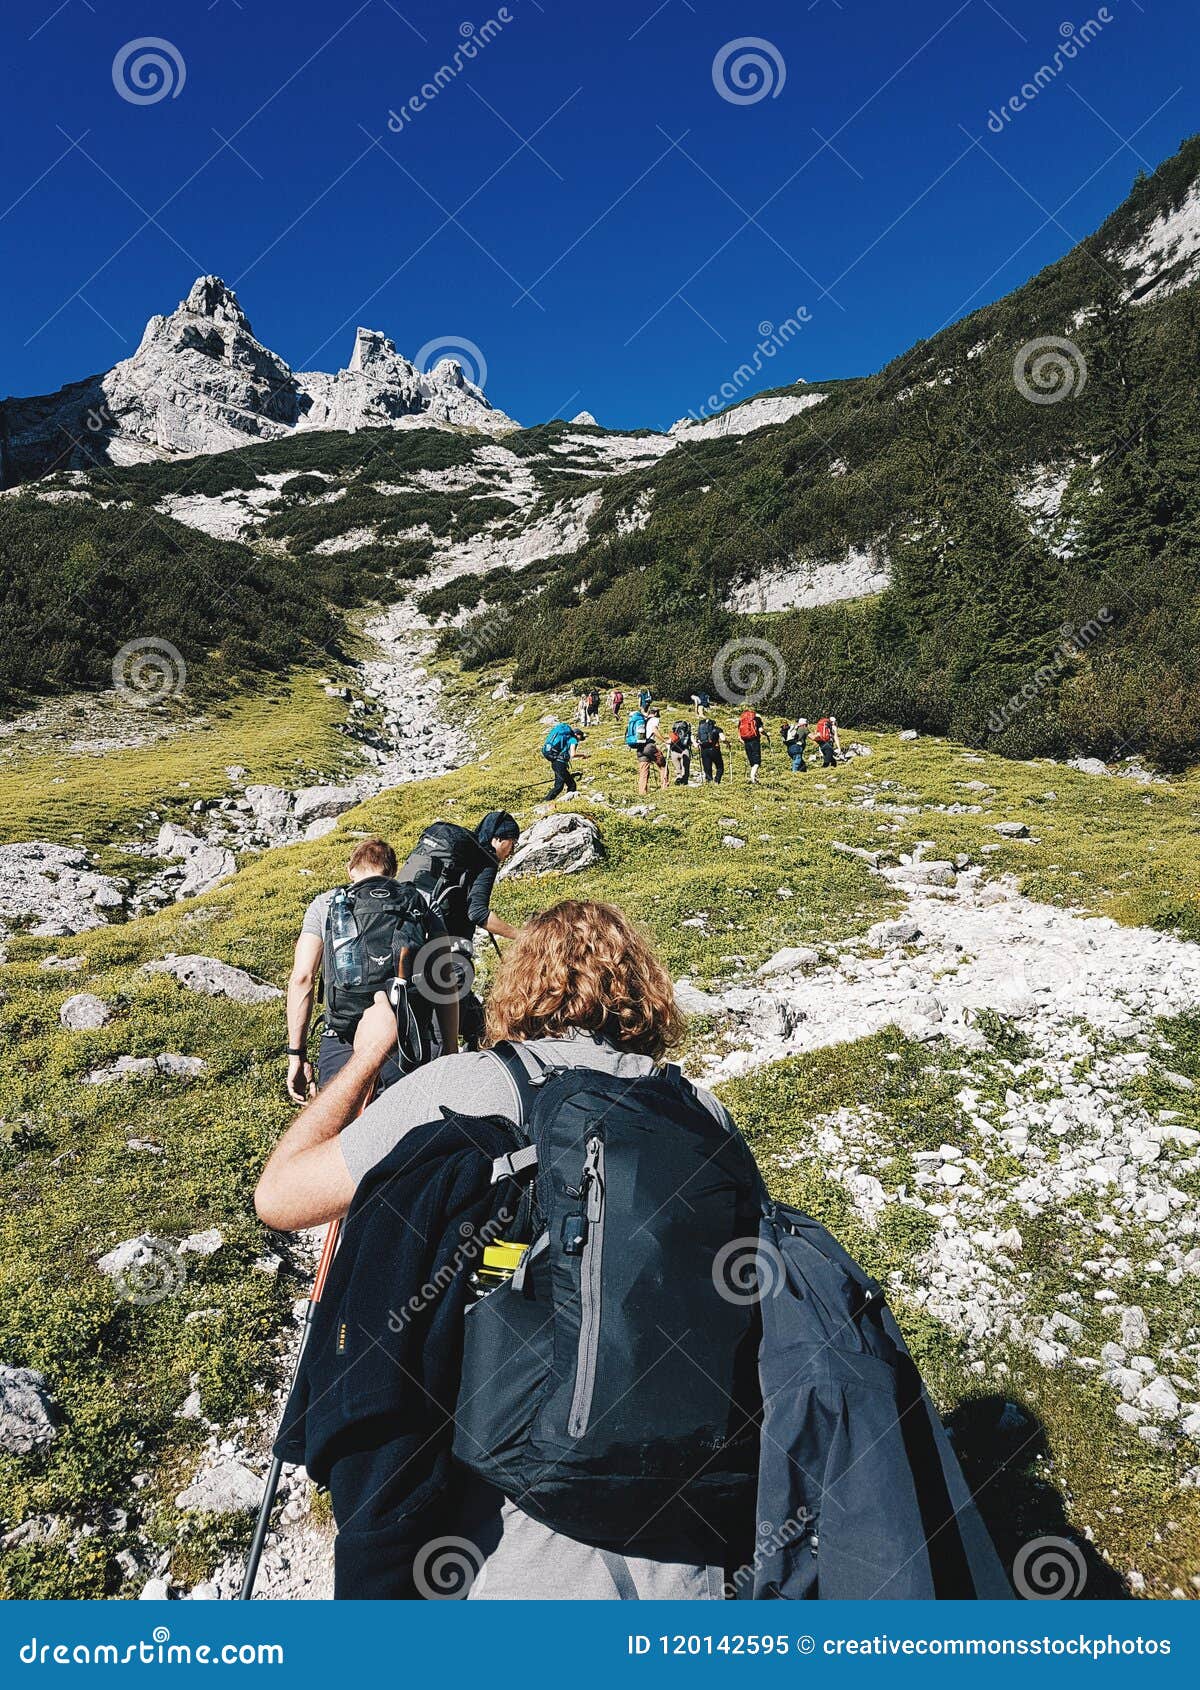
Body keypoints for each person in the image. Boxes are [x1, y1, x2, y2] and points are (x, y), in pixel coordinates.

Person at [255, 900, 741, 1599]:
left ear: (521, 982)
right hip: (684, 1528)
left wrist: (366, 1057)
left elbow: (280, 1197)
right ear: (643, 987)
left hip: (506, 1532)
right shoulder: (698, 1111)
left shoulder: (474, 1084)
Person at [286, 837, 457, 1102]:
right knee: (405, 1127)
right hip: (404, 1036)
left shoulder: (326, 903)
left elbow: (303, 978)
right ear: (392, 872)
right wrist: (450, 1047)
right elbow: (444, 976)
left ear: (350, 869)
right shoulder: (418, 901)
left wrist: (296, 1055)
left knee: (340, 1127)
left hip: (343, 1034)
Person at [396, 812, 522, 1049]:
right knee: (446, 1030)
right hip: (450, 955)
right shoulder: (485, 859)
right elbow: (478, 914)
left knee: (449, 1016)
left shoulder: (457, 860)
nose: (511, 851)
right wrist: (522, 936)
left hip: (414, 942)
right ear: (498, 839)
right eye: (512, 843)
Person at [541, 720, 586, 801]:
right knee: (572, 785)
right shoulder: (573, 740)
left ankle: (546, 801)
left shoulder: (566, 739)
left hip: (555, 762)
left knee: (559, 786)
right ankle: (571, 803)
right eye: (580, 737)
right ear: (576, 734)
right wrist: (583, 755)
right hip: (560, 763)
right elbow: (573, 754)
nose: (579, 740)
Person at [637, 726, 669, 795]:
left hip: (640, 748)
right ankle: (665, 789)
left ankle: (642, 793)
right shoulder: (654, 719)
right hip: (649, 746)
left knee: (643, 771)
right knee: (663, 766)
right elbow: (654, 729)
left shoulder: (642, 721)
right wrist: (664, 740)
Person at [737, 706, 765, 784]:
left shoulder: (741, 721)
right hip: (755, 741)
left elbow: (739, 737)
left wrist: (745, 742)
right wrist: (766, 734)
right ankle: (752, 777)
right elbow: (761, 730)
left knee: (752, 761)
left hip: (746, 742)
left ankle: (755, 778)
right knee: (757, 761)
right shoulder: (756, 719)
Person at [696, 714, 725, 783]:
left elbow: (698, 740)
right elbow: (723, 739)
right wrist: (728, 743)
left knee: (707, 768)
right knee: (720, 767)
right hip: (714, 750)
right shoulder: (717, 729)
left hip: (704, 750)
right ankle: (717, 781)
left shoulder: (701, 731)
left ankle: (709, 781)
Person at [667, 718, 692, 785]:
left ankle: (679, 777)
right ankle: (684, 782)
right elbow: (692, 742)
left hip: (674, 752)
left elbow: (668, 742)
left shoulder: (674, 734)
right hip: (685, 751)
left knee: (678, 769)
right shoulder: (688, 733)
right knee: (685, 769)